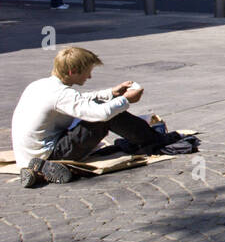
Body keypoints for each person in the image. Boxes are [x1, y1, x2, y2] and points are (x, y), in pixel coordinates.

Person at [12, 47, 184, 188]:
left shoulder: (40, 85)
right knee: (108, 116)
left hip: (27, 155)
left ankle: (39, 169)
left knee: (104, 110)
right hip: (50, 152)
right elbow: (101, 114)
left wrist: (111, 93)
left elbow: (79, 100)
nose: (89, 77)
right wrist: (126, 99)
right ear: (73, 72)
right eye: (87, 72)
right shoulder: (61, 95)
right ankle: (154, 139)